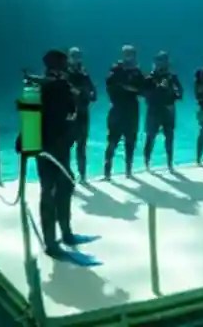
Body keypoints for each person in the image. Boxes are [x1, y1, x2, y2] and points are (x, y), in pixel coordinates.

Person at [16, 49, 92, 259]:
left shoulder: (53, 84)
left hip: (61, 146)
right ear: (57, 67)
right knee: (49, 191)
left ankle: (66, 234)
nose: (67, 67)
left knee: (65, 186)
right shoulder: (48, 86)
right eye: (64, 64)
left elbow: (73, 108)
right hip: (47, 149)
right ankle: (51, 243)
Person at [103, 45, 146, 179]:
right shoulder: (115, 69)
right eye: (126, 54)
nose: (129, 56)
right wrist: (128, 89)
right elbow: (109, 86)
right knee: (112, 140)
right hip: (117, 109)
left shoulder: (137, 72)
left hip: (132, 111)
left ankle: (128, 170)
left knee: (130, 141)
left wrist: (129, 88)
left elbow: (143, 90)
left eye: (131, 54)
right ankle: (107, 171)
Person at [143, 50, 182, 171]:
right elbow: (145, 94)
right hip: (154, 110)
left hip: (168, 109)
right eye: (160, 60)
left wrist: (174, 93)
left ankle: (169, 163)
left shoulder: (172, 77)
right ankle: (146, 163)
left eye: (164, 61)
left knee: (169, 136)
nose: (162, 64)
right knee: (150, 137)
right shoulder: (150, 78)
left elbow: (180, 93)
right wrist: (158, 89)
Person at [66, 47, 96, 183]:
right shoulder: (65, 73)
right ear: (69, 57)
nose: (76, 59)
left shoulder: (84, 73)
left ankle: (82, 175)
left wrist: (88, 94)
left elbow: (94, 93)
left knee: (82, 146)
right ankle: (66, 174)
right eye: (73, 56)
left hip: (83, 113)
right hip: (69, 114)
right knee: (66, 145)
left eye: (78, 56)